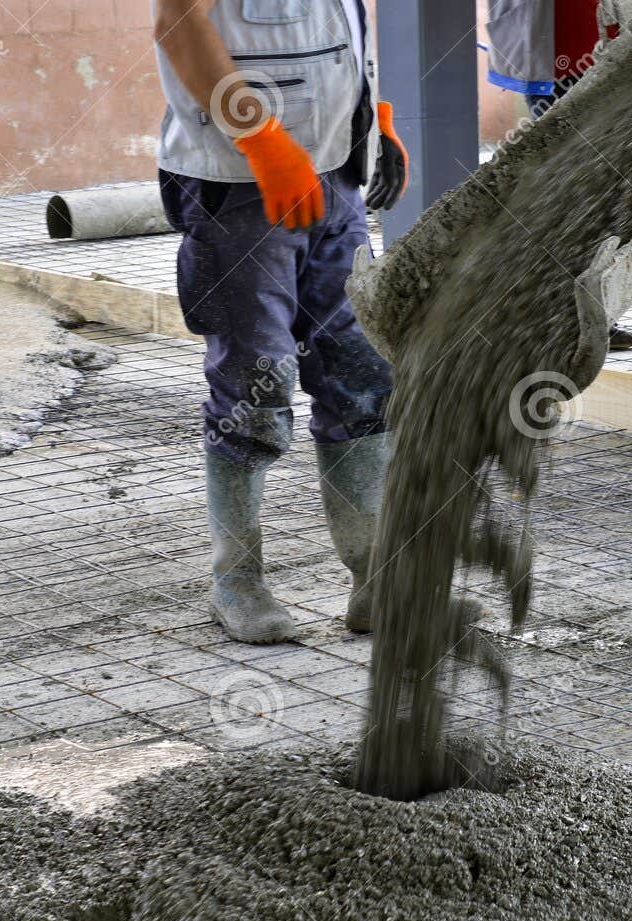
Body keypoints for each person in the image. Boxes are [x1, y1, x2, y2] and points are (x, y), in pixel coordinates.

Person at [152, 0, 409, 645]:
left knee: (363, 379)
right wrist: (262, 140)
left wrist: (371, 118)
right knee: (256, 387)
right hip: (240, 183)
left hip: (334, 177)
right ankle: (237, 582)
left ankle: (376, 578)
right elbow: (178, 24)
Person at [485, 0, 632, 350]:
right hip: (558, 65)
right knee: (578, 192)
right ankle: (561, 312)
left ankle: (577, 311)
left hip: (611, 52)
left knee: (597, 191)